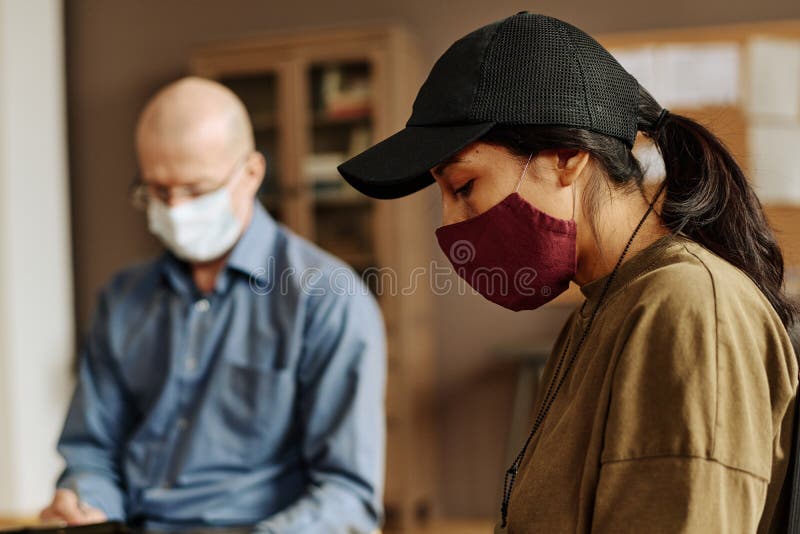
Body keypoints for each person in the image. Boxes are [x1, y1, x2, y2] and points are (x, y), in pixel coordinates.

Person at [339, 12, 798, 533]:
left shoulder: (688, 306)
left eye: (464, 186)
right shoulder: (605, 306)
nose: (450, 223)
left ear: (567, 158)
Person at [41, 77, 386, 533]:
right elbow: (92, 450)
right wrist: (86, 501)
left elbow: (348, 496)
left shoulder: (326, 300)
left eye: (196, 190)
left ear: (251, 174)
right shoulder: (123, 300)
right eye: (158, 192)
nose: (176, 209)